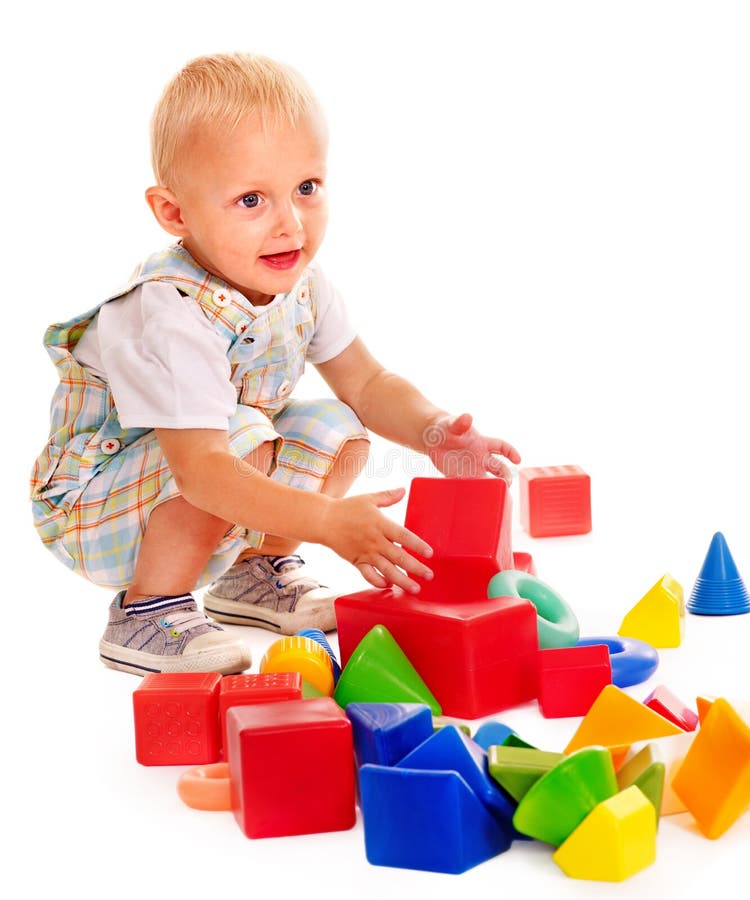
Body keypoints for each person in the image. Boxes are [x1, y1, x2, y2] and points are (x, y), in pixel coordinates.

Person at [30, 52, 520, 676]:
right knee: (242, 438)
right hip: (95, 504)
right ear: (174, 213)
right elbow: (205, 472)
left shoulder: (302, 286)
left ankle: (252, 575)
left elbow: (368, 383)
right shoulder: (170, 311)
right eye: (252, 199)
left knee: (337, 425)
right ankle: (147, 610)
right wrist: (327, 523)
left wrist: (435, 431)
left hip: (210, 468)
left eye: (307, 189)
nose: (291, 224)